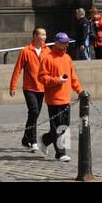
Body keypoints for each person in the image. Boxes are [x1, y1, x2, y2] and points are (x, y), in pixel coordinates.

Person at [38, 33, 83, 162]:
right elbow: (41, 78)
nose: (66, 45)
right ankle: (60, 153)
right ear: (56, 43)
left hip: (65, 98)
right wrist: (57, 80)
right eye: (63, 42)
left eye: (67, 42)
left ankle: (45, 139)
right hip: (54, 98)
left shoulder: (67, 58)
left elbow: (73, 77)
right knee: (57, 126)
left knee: (65, 125)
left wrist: (80, 91)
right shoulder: (48, 58)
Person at [10, 27, 47, 151]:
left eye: (45, 35)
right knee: (34, 112)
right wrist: (13, 86)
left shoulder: (47, 50)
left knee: (34, 115)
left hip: (42, 87)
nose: (44, 37)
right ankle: (33, 141)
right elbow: (17, 69)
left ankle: (25, 139)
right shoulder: (26, 51)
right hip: (29, 87)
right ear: (35, 36)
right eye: (42, 35)